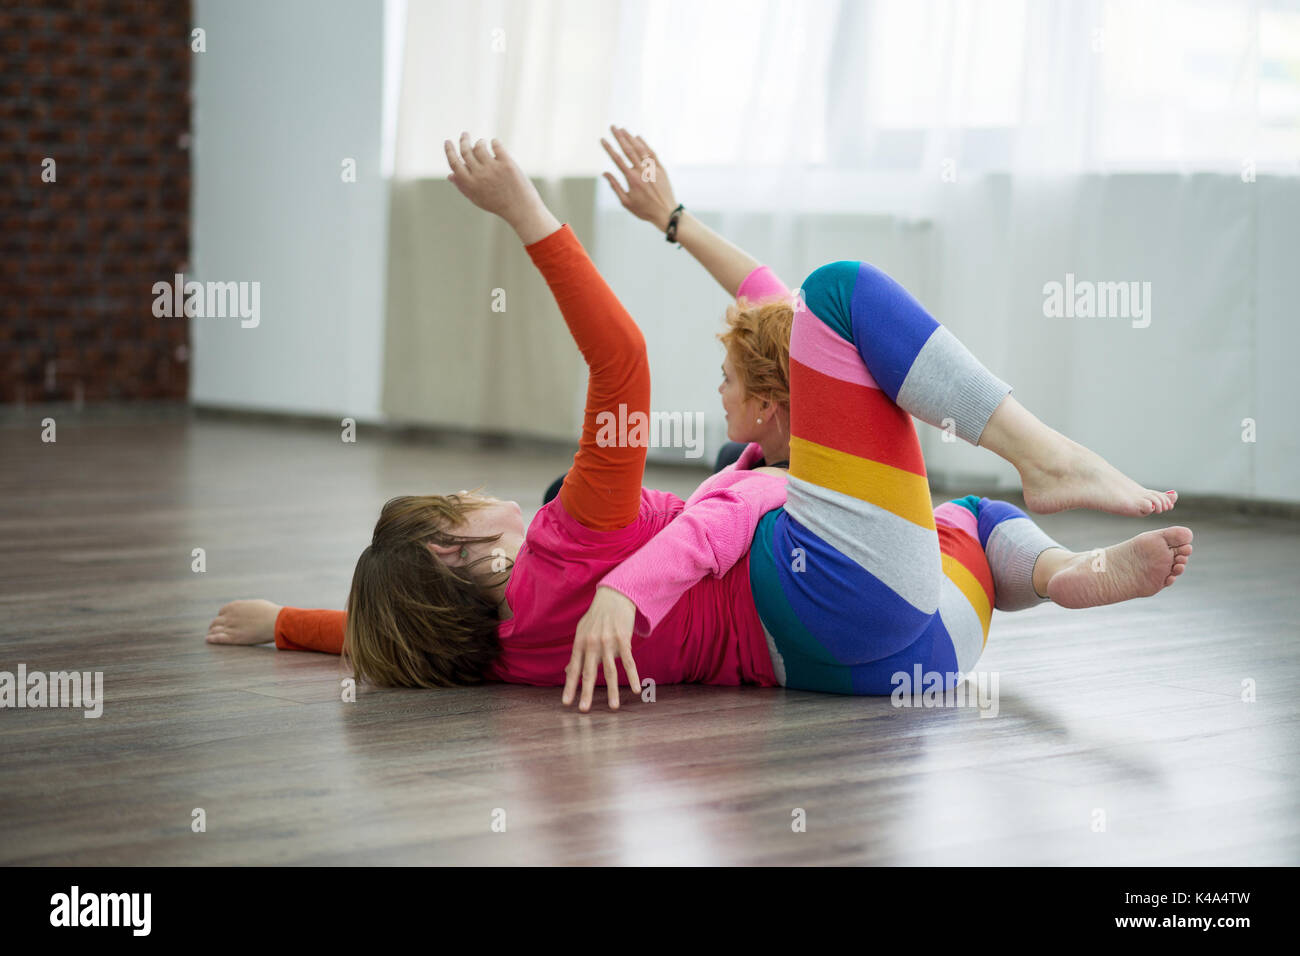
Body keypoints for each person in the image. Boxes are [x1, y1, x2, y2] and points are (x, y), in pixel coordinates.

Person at [207, 132, 1192, 712]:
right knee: (838, 294)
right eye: (464, 504)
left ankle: (1066, 574)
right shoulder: (572, 538)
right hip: (861, 606)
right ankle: (1044, 456)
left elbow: (403, 630)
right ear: (462, 552)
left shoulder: (498, 650)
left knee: (969, 519)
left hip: (914, 652)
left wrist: (285, 624)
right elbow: (653, 354)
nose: (487, 495)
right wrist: (527, 215)